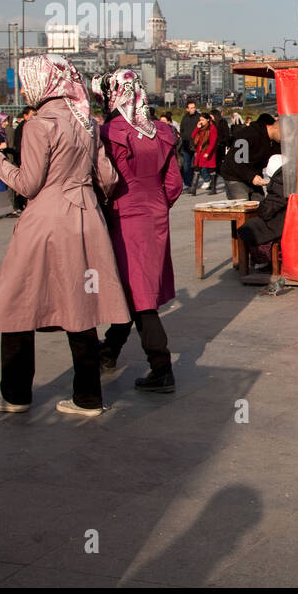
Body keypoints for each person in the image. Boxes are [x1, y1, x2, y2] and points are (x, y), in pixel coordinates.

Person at [0, 53, 131, 417]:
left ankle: (15, 394)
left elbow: (27, 184)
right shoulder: (86, 121)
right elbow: (107, 178)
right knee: (82, 307)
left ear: (43, 83)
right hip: (87, 218)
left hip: (46, 221)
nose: (25, 89)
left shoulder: (40, 124)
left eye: (27, 82)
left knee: (17, 302)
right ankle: (88, 397)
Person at [92, 69, 183, 393]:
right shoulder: (161, 132)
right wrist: (155, 205)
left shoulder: (109, 132)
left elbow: (106, 181)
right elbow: (174, 184)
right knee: (138, 289)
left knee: (139, 295)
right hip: (156, 216)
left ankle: (161, 366)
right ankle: (110, 350)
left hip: (125, 215)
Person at [221, 113, 280, 200]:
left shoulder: (275, 141)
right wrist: (252, 177)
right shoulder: (247, 134)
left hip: (253, 174)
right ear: (274, 127)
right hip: (235, 175)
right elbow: (238, 160)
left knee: (260, 206)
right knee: (243, 206)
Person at [189, 112, 218, 194]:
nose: (201, 121)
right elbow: (193, 136)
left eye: (203, 120)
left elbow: (212, 142)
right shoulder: (201, 128)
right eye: (200, 120)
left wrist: (208, 153)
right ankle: (193, 189)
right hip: (199, 151)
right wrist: (197, 127)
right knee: (197, 169)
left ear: (208, 120)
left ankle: (213, 188)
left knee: (211, 169)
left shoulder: (212, 128)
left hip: (208, 152)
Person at [178, 99, 200, 188]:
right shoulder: (185, 118)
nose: (193, 109)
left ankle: (205, 180)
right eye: (191, 108)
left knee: (198, 164)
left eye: (194, 108)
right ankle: (187, 183)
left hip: (196, 144)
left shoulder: (198, 117)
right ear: (187, 109)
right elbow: (182, 130)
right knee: (187, 164)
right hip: (186, 144)